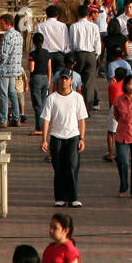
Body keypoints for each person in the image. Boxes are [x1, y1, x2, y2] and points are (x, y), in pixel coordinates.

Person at [41, 72, 89, 208]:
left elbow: (82, 120)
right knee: (59, 168)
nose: (63, 81)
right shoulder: (52, 98)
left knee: (72, 167)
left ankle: (73, 197)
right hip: (56, 136)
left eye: (66, 79)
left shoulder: (77, 98)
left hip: (73, 136)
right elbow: (46, 120)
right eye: (61, 79)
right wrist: (44, 139)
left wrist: (82, 138)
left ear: (71, 81)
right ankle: (60, 197)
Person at [69, 7, 103, 109]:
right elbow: (98, 43)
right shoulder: (94, 27)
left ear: (77, 14)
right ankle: (87, 106)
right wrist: (96, 55)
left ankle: (76, 105)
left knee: (77, 79)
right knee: (89, 82)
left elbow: (71, 44)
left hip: (78, 55)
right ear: (88, 14)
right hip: (91, 54)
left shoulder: (73, 27)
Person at [0, 13, 25, 126]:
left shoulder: (8, 36)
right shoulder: (19, 35)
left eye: (2, 23)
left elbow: (4, 54)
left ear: (7, 23)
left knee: (4, 94)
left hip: (6, 68)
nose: (0, 25)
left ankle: (3, 119)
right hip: (15, 67)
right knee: (13, 92)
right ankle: (16, 117)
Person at [27, 32, 52, 137]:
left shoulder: (32, 54)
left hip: (36, 78)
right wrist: (49, 80)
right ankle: (44, 126)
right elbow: (50, 67)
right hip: (45, 78)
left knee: (37, 105)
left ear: (33, 42)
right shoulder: (47, 53)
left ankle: (39, 128)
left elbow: (31, 68)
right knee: (44, 104)